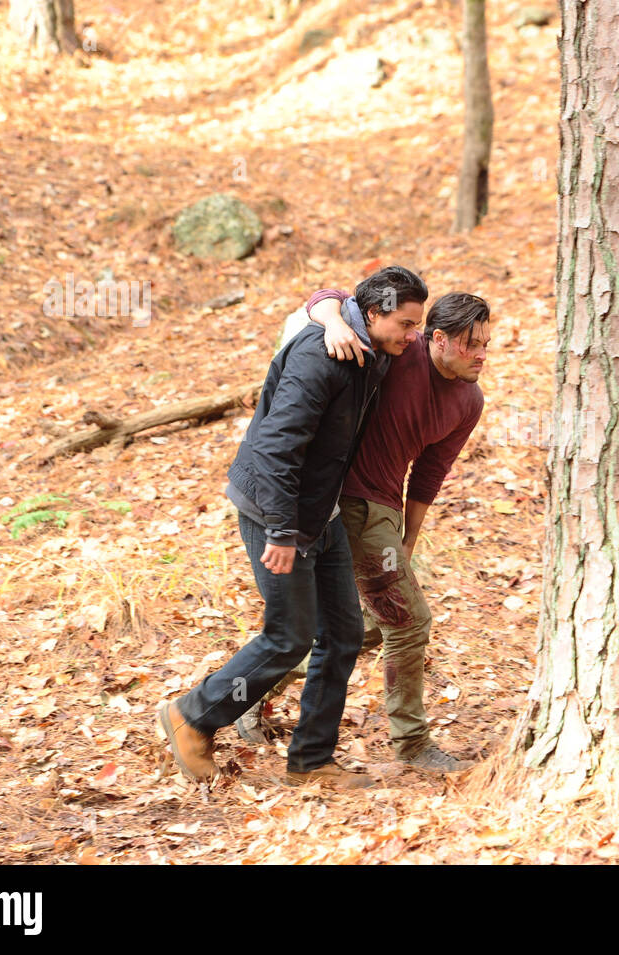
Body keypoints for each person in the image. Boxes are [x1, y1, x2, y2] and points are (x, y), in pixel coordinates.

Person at [157, 266, 428, 788]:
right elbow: (275, 449)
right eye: (406, 324)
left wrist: (330, 309)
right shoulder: (320, 357)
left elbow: (329, 295)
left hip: (320, 510)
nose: (411, 335)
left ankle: (311, 761)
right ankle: (191, 716)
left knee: (344, 633)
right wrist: (282, 533)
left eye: (417, 325)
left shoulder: (369, 345)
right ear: (373, 314)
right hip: (274, 510)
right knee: (289, 636)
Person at [236, 287, 489, 774]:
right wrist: (332, 320)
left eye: (486, 345)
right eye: (469, 344)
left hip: (385, 512)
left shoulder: (469, 401)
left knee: (365, 626)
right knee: (409, 620)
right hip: (350, 501)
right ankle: (412, 744)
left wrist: (408, 539)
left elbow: (430, 473)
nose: (481, 355)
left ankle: (252, 691)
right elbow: (329, 297)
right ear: (438, 339)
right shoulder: (399, 347)